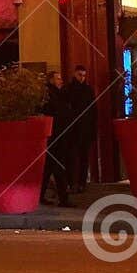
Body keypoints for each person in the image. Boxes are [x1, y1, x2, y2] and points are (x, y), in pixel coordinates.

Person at [60, 65, 97, 193]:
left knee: (82, 158)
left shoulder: (87, 90)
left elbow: (93, 112)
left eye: (83, 75)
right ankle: (73, 182)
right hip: (74, 130)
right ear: (75, 74)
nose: (82, 78)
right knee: (72, 158)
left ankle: (80, 183)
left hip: (83, 130)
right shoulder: (69, 89)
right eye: (80, 75)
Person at [39, 71, 71, 207]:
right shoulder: (50, 95)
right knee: (56, 167)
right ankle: (63, 199)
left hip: (57, 135)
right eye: (58, 78)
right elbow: (56, 113)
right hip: (55, 136)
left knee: (49, 168)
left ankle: (42, 196)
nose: (61, 81)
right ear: (51, 80)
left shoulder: (58, 94)